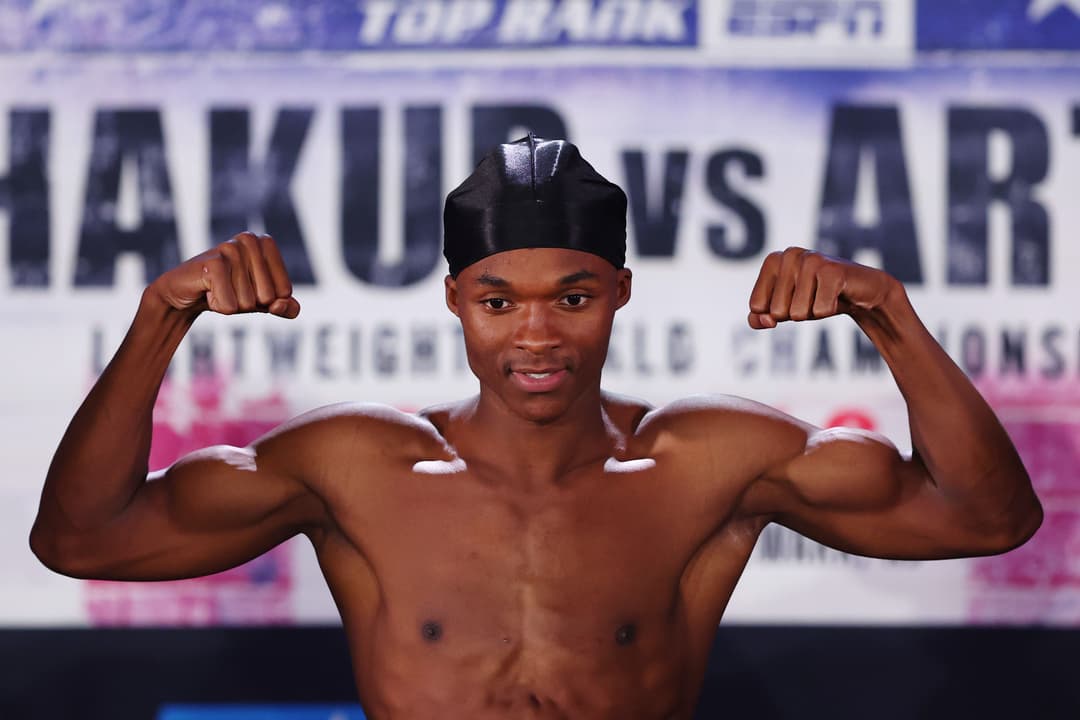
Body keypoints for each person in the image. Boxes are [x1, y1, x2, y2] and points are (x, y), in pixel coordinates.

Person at [31, 136, 1041, 719]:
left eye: (573, 297)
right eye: (497, 301)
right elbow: (83, 540)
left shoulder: (705, 461)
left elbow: (988, 519)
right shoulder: (355, 466)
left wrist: (888, 316)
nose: (537, 335)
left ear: (621, 293)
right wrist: (161, 317)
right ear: (454, 302)